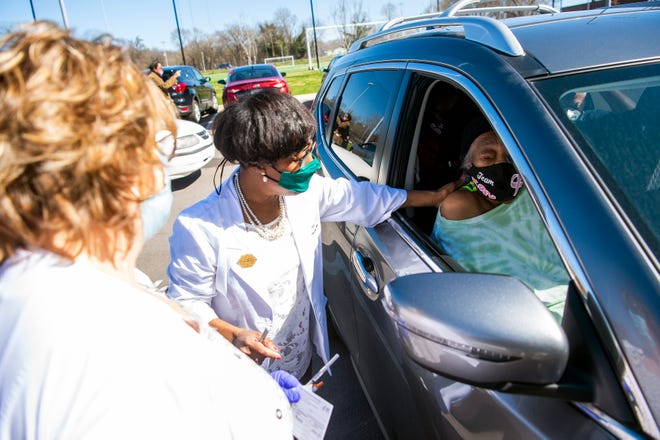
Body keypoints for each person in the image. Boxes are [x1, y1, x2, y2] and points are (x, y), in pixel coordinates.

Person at [0, 22, 295, 439]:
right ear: (124, 168)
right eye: (159, 148)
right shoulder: (106, 350)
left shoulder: (39, 291)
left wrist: (250, 389)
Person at [167, 90, 457, 379]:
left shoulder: (305, 194)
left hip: (300, 361)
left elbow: (362, 198)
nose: (310, 165)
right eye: (295, 159)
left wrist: (432, 197)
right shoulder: (199, 227)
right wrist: (234, 335)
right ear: (256, 164)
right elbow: (186, 304)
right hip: (246, 376)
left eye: (309, 152)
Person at [430, 127, 568, 321]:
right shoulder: (460, 204)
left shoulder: (533, 190)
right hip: (525, 317)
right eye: (487, 157)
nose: (502, 164)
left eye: (511, 158)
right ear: (468, 164)